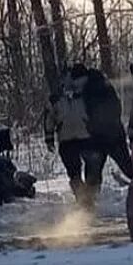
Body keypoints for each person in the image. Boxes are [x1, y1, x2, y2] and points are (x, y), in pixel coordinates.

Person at [44, 64, 102, 209]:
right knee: (73, 172)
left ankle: (91, 196)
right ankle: (82, 200)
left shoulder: (87, 95)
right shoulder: (55, 99)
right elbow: (49, 118)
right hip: (66, 139)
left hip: (86, 136)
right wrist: (49, 137)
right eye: (67, 78)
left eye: (72, 78)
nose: (70, 81)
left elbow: (97, 113)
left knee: (93, 168)